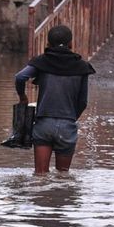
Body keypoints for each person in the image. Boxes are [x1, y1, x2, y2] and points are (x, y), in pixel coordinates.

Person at [13, 25, 94, 175]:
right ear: (71, 44)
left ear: (48, 44)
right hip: (67, 126)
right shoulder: (82, 67)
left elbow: (20, 77)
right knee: (63, 176)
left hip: (44, 124)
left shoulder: (42, 62)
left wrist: (22, 97)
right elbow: (83, 102)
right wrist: (69, 118)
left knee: (40, 176)